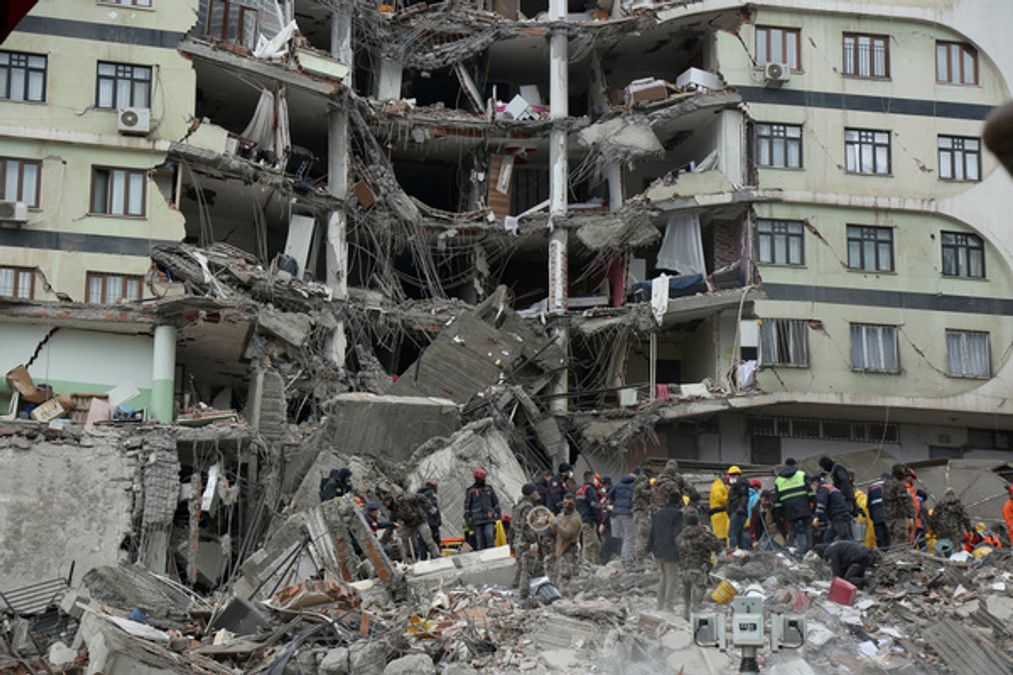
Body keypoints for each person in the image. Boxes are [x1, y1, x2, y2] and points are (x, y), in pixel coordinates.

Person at [676, 510, 723, 620]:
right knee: (696, 605)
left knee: (686, 604)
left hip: (683, 570)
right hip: (698, 570)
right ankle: (694, 628)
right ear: (698, 522)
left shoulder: (679, 537)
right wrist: (709, 532)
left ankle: (685, 626)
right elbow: (717, 546)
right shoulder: (703, 536)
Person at [646, 491, 684, 612]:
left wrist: (650, 548)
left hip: (658, 549)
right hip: (671, 550)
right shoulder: (678, 514)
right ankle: (668, 607)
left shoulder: (657, 514)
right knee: (672, 579)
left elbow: (652, 532)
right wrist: (681, 549)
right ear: (678, 501)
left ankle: (659, 605)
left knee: (663, 577)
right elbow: (677, 533)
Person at [383, 488, 441, 560]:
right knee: (400, 538)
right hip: (409, 525)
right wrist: (384, 540)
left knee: (428, 540)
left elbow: (419, 496)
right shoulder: (393, 513)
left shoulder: (404, 499)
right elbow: (390, 526)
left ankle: (437, 555)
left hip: (420, 521)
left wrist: (430, 506)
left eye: (386, 503)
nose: (386, 506)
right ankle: (406, 558)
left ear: (390, 500)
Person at [774, 458, 812, 555]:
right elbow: (810, 493)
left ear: (785, 465)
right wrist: (812, 505)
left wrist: (780, 514)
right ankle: (807, 552)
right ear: (795, 464)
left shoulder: (778, 480)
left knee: (792, 530)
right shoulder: (802, 474)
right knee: (807, 529)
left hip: (789, 510)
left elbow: (777, 501)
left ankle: (792, 552)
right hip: (804, 508)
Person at [513, 484, 543, 601]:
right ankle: (523, 596)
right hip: (525, 541)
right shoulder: (528, 507)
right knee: (527, 569)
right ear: (531, 493)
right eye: (535, 491)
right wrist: (533, 542)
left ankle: (515, 590)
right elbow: (527, 526)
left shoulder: (519, 505)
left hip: (518, 539)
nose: (537, 493)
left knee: (520, 567)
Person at [814, 540, 881, 590]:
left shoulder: (830, 552)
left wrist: (835, 585)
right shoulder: (834, 545)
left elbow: (836, 570)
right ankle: (860, 590)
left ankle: (869, 581)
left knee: (848, 579)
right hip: (865, 554)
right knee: (856, 574)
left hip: (859, 558)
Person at [551, 493, 583, 594]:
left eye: (569, 503)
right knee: (558, 575)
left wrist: (556, 525)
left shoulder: (575, 518)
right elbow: (555, 531)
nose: (566, 506)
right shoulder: (561, 515)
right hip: (560, 548)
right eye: (565, 503)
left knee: (565, 576)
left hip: (569, 549)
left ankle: (565, 598)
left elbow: (568, 534)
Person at [464, 468, 501, 550]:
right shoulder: (471, 491)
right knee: (479, 541)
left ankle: (492, 554)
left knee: (490, 537)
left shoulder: (489, 489)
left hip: (489, 518)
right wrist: (468, 519)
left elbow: (495, 502)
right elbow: (467, 506)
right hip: (476, 520)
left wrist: (498, 515)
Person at [607, 471, 637, 569]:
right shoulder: (634, 485)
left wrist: (615, 503)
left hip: (616, 513)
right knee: (630, 537)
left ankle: (624, 559)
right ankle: (628, 562)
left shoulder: (618, 484)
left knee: (624, 537)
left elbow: (609, 495)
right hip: (627, 513)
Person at [812, 475, 853, 544]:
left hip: (838, 516)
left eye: (812, 486)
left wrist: (816, 517)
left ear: (815, 484)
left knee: (845, 537)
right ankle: (831, 553)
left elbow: (821, 503)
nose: (812, 489)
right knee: (828, 537)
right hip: (840, 515)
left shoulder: (823, 488)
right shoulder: (829, 486)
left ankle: (857, 553)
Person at [883, 463, 916, 548]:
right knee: (901, 541)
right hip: (899, 517)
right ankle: (900, 560)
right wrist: (911, 516)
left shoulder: (886, 484)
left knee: (893, 540)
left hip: (888, 516)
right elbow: (904, 501)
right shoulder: (899, 485)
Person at [575, 471, 602, 565]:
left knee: (595, 544)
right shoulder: (590, 489)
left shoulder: (579, 489)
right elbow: (594, 504)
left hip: (581, 519)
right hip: (589, 520)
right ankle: (586, 564)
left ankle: (596, 563)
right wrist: (599, 516)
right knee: (588, 544)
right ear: (591, 478)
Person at [726, 466, 752, 551]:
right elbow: (731, 502)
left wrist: (741, 507)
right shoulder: (734, 487)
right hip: (737, 512)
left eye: (734, 475)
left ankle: (732, 552)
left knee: (732, 533)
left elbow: (744, 497)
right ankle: (743, 553)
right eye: (730, 475)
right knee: (739, 535)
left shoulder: (741, 483)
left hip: (738, 513)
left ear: (739, 475)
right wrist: (715, 510)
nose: (732, 477)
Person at [633, 467, 653, 565]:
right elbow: (641, 491)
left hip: (638, 512)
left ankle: (638, 560)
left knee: (640, 536)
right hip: (641, 511)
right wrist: (652, 492)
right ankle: (639, 562)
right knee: (642, 537)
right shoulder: (643, 479)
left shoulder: (638, 479)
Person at [417, 480, 442, 559]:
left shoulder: (419, 495)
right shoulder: (431, 493)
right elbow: (434, 508)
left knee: (422, 543)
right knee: (435, 541)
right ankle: (435, 558)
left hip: (421, 522)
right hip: (432, 522)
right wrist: (438, 520)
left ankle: (423, 560)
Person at [599, 476, 620, 564]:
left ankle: (604, 563)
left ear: (607, 484)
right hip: (613, 522)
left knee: (607, 546)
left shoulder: (612, 493)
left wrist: (603, 524)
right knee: (614, 543)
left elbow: (609, 510)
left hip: (612, 522)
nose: (602, 487)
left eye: (603, 485)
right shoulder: (610, 493)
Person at [866, 473, 890, 548]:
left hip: (876, 516)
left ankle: (883, 555)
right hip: (888, 514)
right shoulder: (889, 484)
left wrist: (872, 518)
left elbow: (869, 505)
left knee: (880, 540)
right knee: (889, 540)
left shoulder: (871, 487)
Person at [709, 472, 730, 546]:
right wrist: (729, 498)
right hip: (719, 515)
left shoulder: (721, 485)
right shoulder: (718, 486)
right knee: (720, 537)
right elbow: (719, 498)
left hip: (721, 515)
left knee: (722, 536)